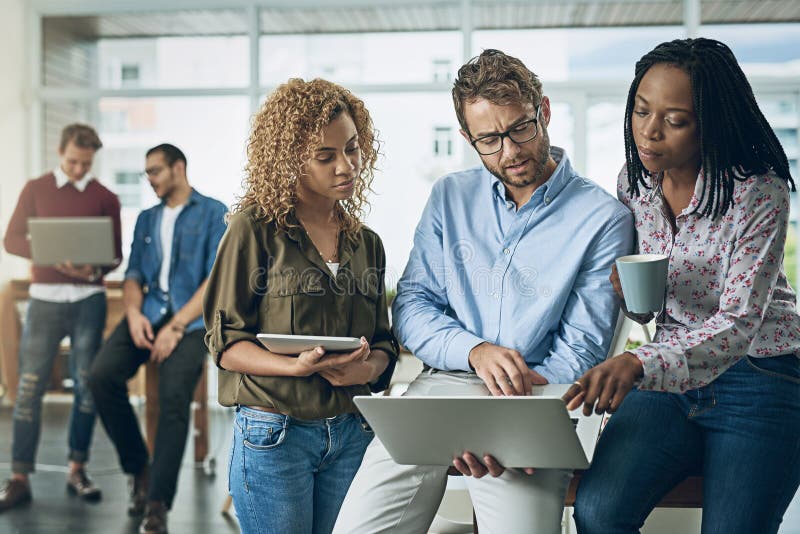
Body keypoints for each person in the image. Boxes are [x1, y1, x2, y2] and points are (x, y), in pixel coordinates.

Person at [333, 49, 634, 534]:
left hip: (537, 397)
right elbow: (411, 306)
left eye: (520, 128)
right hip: (442, 386)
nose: (510, 152)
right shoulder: (448, 197)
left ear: (545, 111)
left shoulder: (605, 219)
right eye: (489, 140)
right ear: (467, 138)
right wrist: (474, 351)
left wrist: (507, 423)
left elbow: (582, 346)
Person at [565, 38, 800, 534]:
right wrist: (633, 299)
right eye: (640, 111)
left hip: (762, 374)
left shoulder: (759, 191)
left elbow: (739, 323)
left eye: (674, 120)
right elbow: (651, 310)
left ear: (710, 123)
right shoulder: (634, 183)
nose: (649, 132)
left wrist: (636, 361)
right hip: (668, 377)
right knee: (597, 514)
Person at [202, 78, 398, 534]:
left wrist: (364, 371)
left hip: (352, 433)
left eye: (352, 149)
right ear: (291, 160)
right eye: (325, 157)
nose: (346, 166)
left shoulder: (367, 243)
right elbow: (225, 342)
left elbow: (385, 343)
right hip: (275, 434)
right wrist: (294, 368)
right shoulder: (252, 229)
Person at [88, 143, 227, 534]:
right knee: (100, 376)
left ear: (178, 168)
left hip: (191, 324)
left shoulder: (214, 212)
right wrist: (133, 313)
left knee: (173, 399)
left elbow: (213, 282)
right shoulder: (147, 219)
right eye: (146, 173)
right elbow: (133, 275)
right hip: (146, 316)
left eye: (155, 171)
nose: (149, 179)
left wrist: (178, 326)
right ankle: (139, 470)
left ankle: (157, 502)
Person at [0, 123, 122, 511]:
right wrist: (51, 251)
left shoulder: (106, 197)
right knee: (29, 388)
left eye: (85, 164)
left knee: (86, 389)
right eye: (72, 162)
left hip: (89, 299)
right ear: (60, 151)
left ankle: (77, 468)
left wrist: (92, 268)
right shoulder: (36, 189)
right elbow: (11, 239)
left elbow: (116, 254)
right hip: (45, 301)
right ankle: (19, 477)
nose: (77, 170)